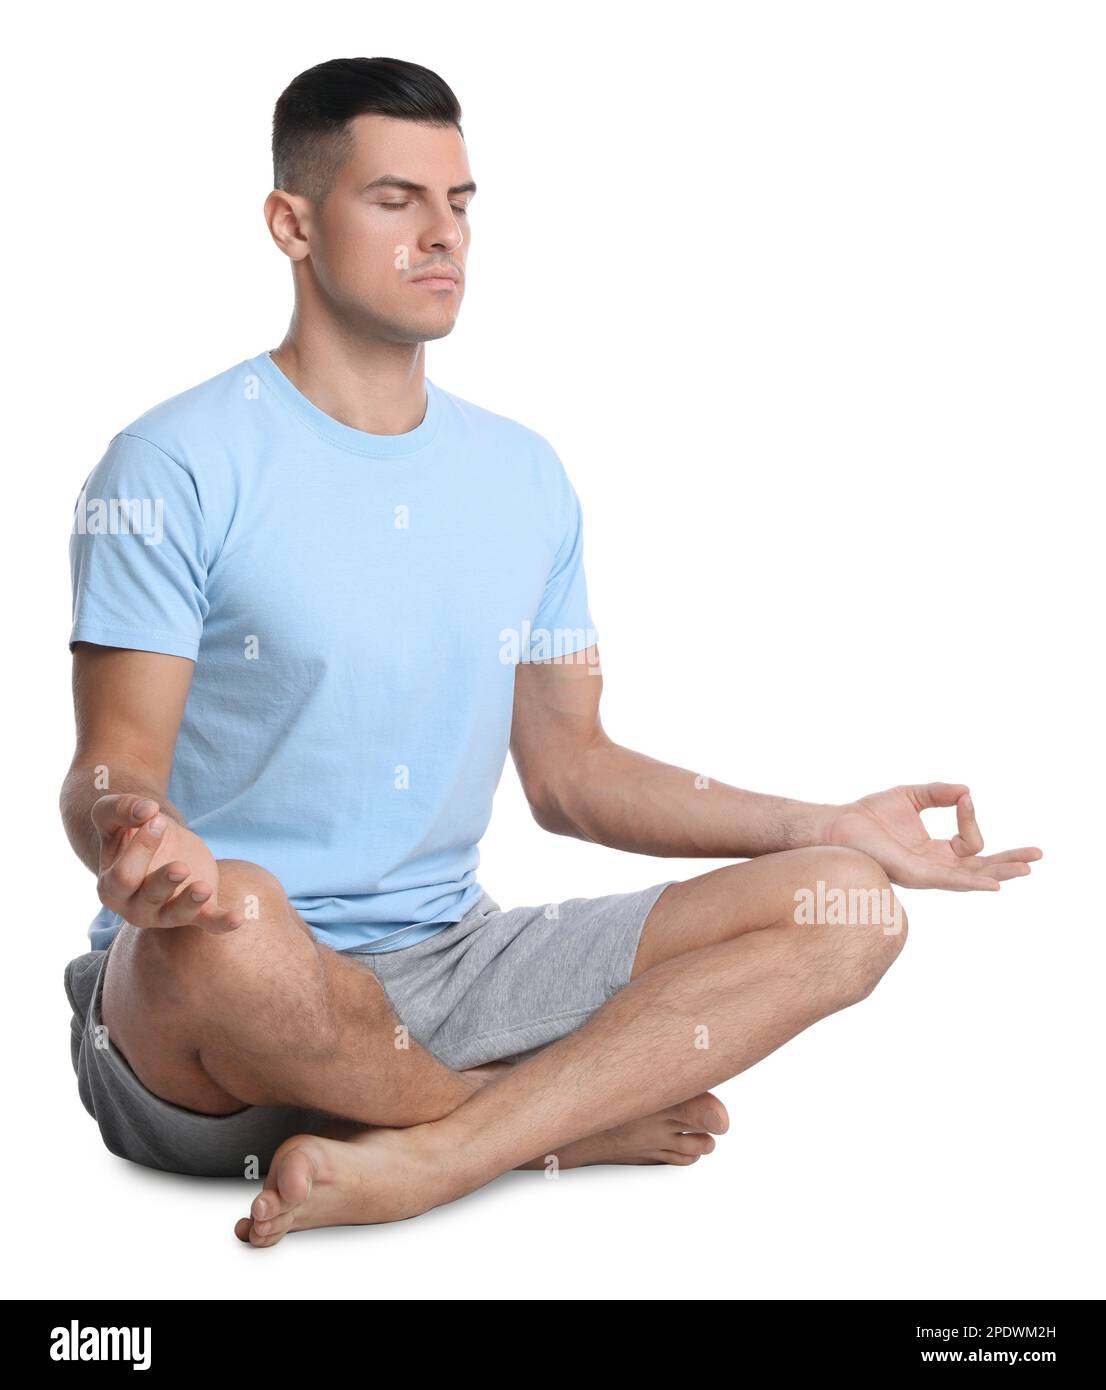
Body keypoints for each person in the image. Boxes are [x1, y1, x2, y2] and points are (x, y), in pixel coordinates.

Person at [61, 56, 1041, 1247]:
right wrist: (134, 838)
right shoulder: (172, 463)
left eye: (460, 204)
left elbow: (569, 772)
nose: (442, 236)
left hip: (449, 964)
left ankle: (436, 1153)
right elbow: (110, 765)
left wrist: (826, 825)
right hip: (212, 1003)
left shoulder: (522, 477)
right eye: (394, 201)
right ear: (292, 223)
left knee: (852, 909)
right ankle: (542, 1130)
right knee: (244, 923)